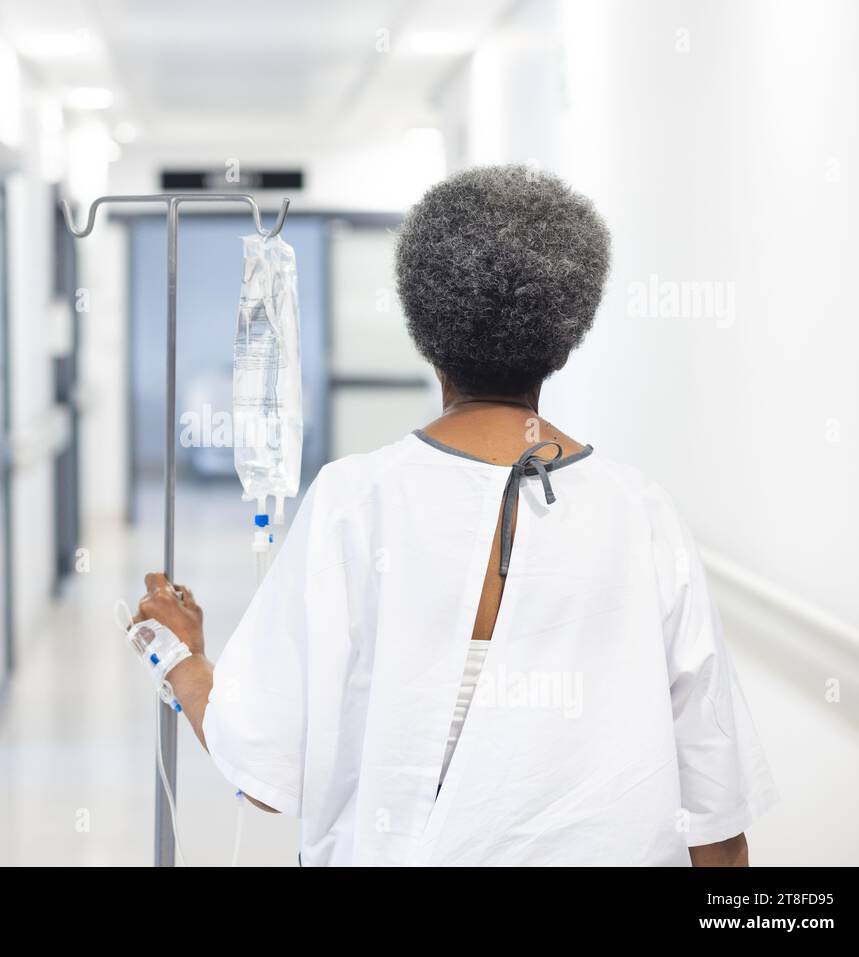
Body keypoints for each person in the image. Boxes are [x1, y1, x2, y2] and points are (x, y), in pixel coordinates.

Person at [133, 165, 777, 866]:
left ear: (427, 332)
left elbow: (263, 764)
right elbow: (717, 829)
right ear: (564, 338)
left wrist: (181, 658)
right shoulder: (643, 516)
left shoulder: (355, 503)